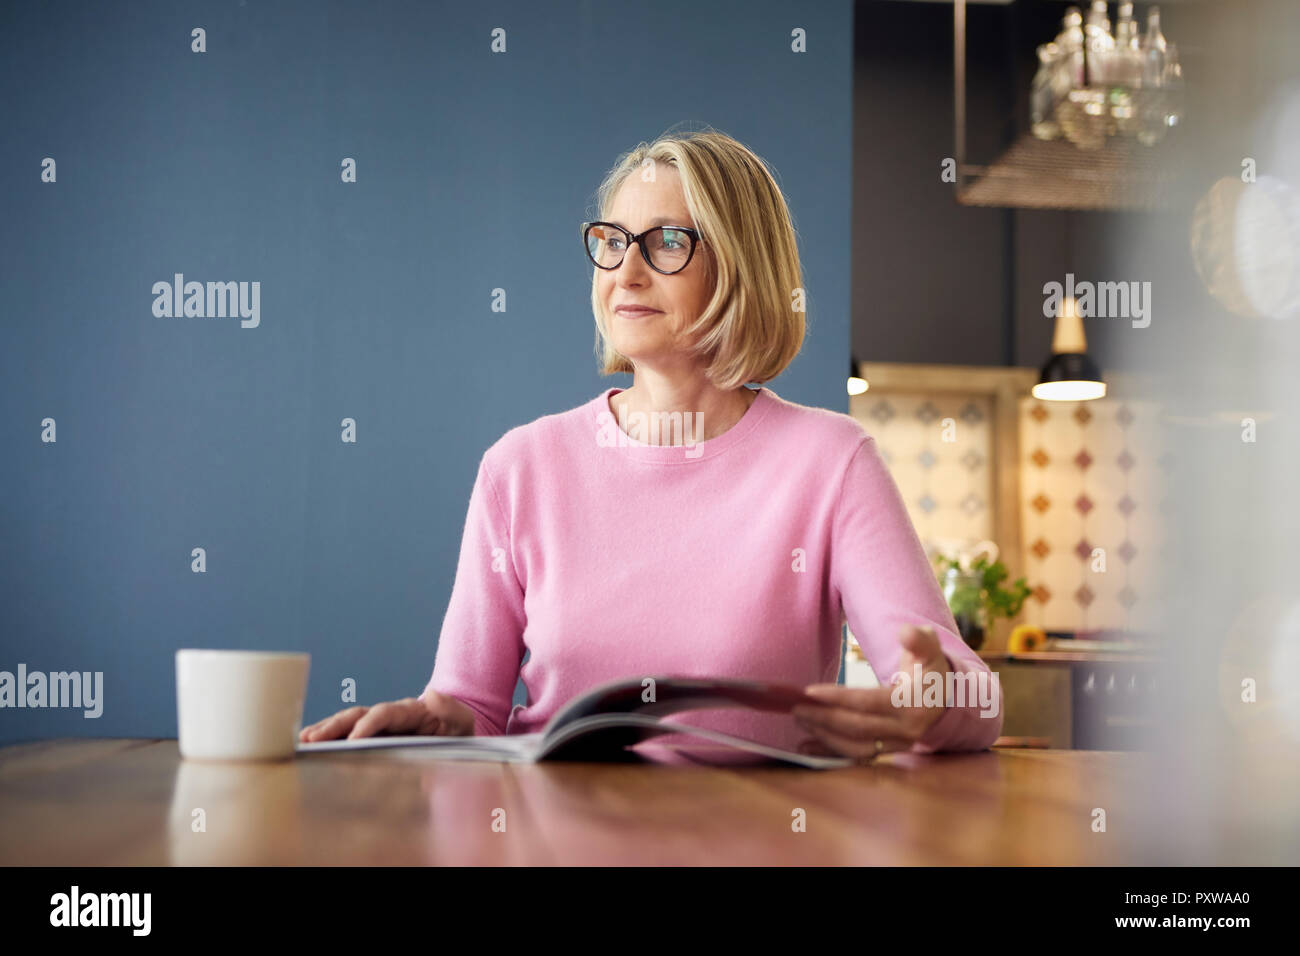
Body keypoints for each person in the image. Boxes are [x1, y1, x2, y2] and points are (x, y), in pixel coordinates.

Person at [300, 127, 1004, 764]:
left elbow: (976, 700)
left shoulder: (833, 463)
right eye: (612, 241)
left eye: (668, 242)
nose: (626, 272)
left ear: (740, 264)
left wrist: (928, 700)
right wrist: (428, 720)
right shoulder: (519, 467)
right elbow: (470, 705)